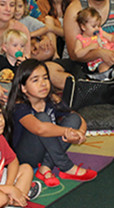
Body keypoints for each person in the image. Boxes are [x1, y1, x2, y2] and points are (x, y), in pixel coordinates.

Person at [6, 59, 96, 187]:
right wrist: (67, 131)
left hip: (47, 150)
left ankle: (46, 167)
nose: (43, 84)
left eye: (45, 78)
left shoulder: (51, 99)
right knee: (42, 118)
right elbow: (40, 129)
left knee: (74, 118)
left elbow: (79, 120)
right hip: (25, 157)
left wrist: (78, 135)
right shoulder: (19, 107)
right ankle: (65, 166)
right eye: (35, 80)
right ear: (23, 88)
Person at [74, 7, 114, 73]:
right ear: (83, 27)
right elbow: (78, 54)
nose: (97, 28)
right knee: (104, 68)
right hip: (98, 61)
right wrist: (89, 48)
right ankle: (107, 78)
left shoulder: (100, 32)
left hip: (111, 52)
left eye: (98, 26)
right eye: (94, 26)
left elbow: (111, 37)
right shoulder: (81, 40)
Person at [0, 29, 29, 100]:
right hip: (3, 88)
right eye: (15, 45)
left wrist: (25, 66)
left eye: (22, 46)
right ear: (5, 48)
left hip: (17, 90)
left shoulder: (23, 61)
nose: (19, 48)